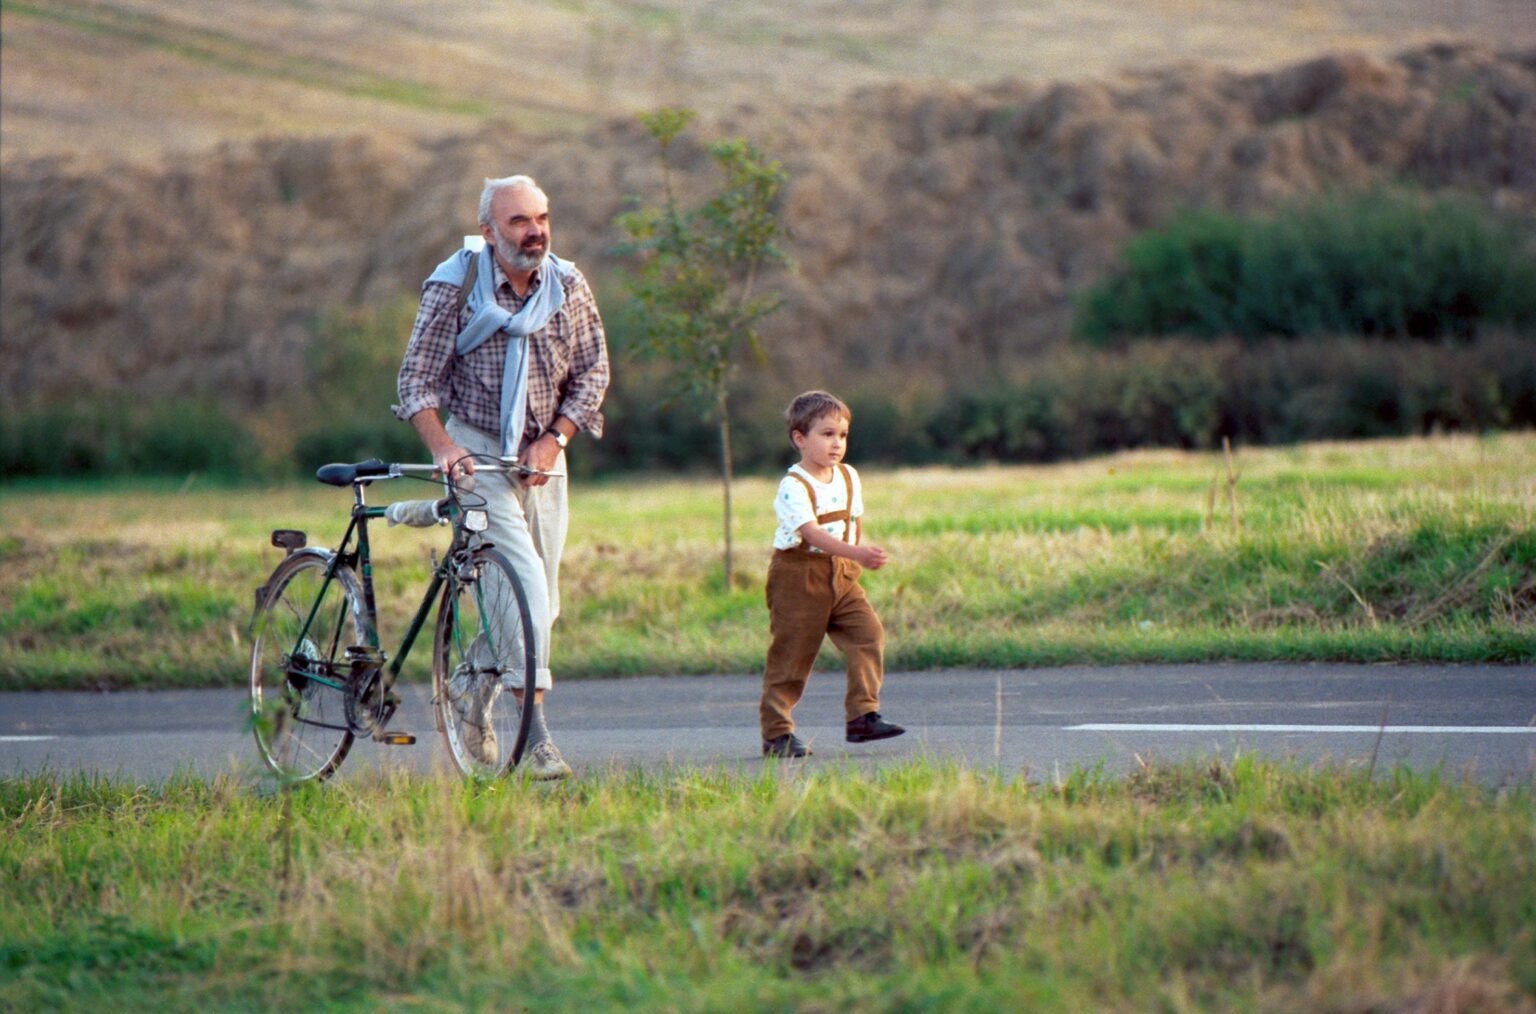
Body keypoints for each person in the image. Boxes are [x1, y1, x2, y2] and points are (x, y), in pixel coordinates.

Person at [394, 174, 610, 780]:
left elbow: (593, 374)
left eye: (541, 217)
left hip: (545, 454)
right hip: (477, 452)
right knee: (523, 589)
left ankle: (468, 687)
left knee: (543, 602)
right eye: (519, 221)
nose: (535, 230)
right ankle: (536, 740)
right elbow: (416, 383)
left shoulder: (567, 284)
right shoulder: (453, 286)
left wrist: (554, 439)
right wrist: (443, 449)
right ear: (488, 231)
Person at [760, 390, 906, 758]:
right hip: (798, 576)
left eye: (842, 434)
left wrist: (851, 563)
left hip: (841, 574)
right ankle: (776, 733)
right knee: (792, 656)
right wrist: (856, 552)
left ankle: (862, 716)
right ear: (799, 438)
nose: (837, 443)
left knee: (868, 635)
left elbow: (853, 521)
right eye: (826, 434)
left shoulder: (849, 476)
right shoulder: (793, 485)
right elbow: (812, 534)